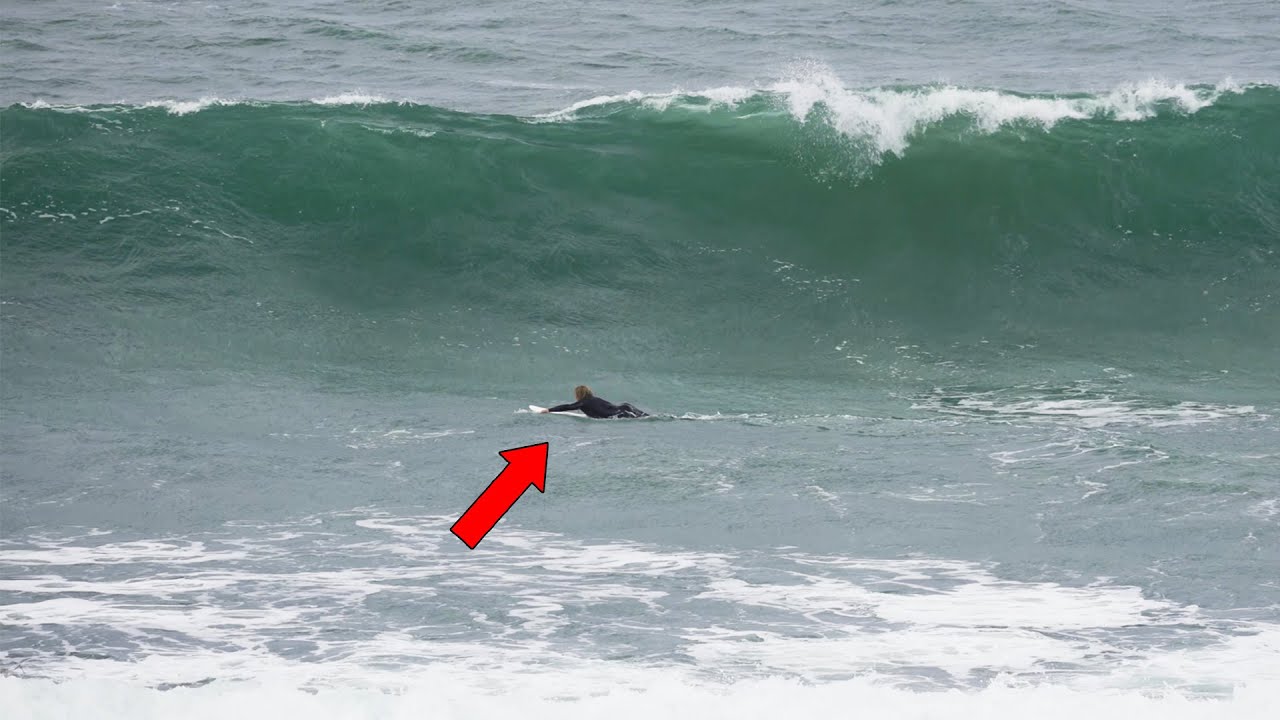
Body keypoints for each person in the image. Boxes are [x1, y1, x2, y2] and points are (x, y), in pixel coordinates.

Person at [541, 385, 648, 419]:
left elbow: (567, 406)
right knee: (644, 417)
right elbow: (609, 406)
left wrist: (549, 410)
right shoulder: (596, 399)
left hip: (617, 415)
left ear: (578, 394)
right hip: (624, 408)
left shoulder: (583, 402)